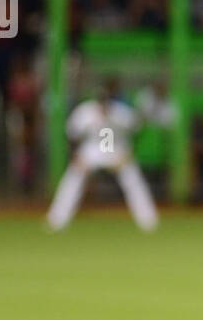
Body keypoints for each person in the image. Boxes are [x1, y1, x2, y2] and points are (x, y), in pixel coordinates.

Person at [46, 77, 158, 231]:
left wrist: (130, 152)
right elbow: (72, 135)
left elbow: (138, 130)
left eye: (106, 100)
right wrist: (75, 155)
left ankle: (148, 220)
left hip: (116, 149)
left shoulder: (120, 112)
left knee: (133, 178)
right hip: (92, 149)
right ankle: (57, 220)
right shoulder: (85, 111)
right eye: (101, 100)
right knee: (73, 177)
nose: (103, 104)